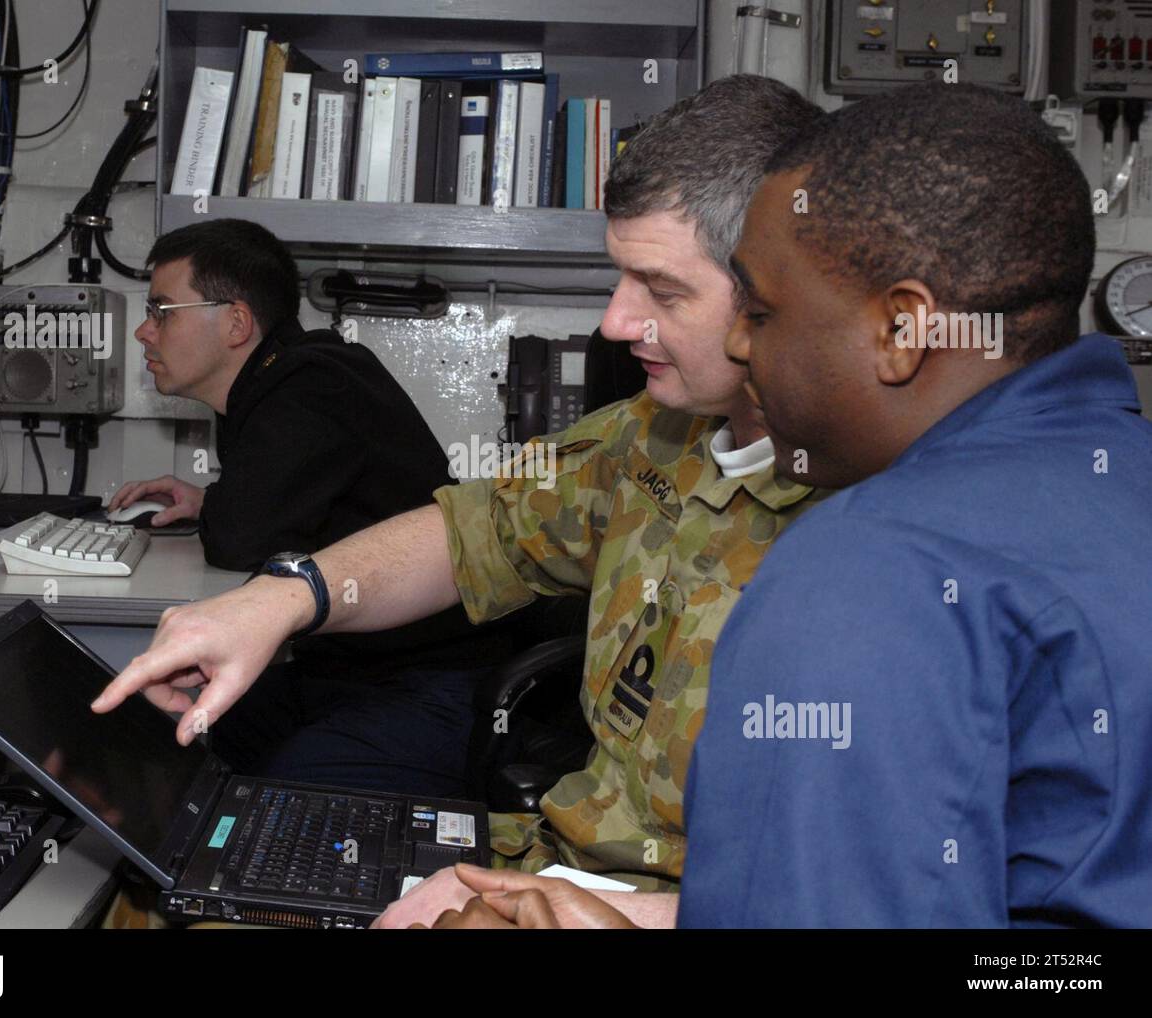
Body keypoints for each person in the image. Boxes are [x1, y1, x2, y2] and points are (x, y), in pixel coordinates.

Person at [91, 75, 830, 929]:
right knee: (215, 856)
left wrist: (585, 906)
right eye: (619, 278)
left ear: (777, 286)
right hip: (551, 862)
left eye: (661, 292)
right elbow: (475, 531)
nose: (617, 322)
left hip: (653, 906)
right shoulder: (648, 435)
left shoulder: (871, 515)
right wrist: (283, 599)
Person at [431, 81, 1152, 929]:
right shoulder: (1116, 479)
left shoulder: (869, 569)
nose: (740, 343)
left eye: (764, 313)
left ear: (903, 330)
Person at [110, 218, 509, 795]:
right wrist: (208, 500)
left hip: (434, 684)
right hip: (354, 669)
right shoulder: (286, 377)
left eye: (162, 311)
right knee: (189, 750)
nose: (145, 332)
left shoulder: (311, 384)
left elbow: (239, 539)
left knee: (277, 799)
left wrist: (221, 510)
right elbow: (285, 508)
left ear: (236, 322)